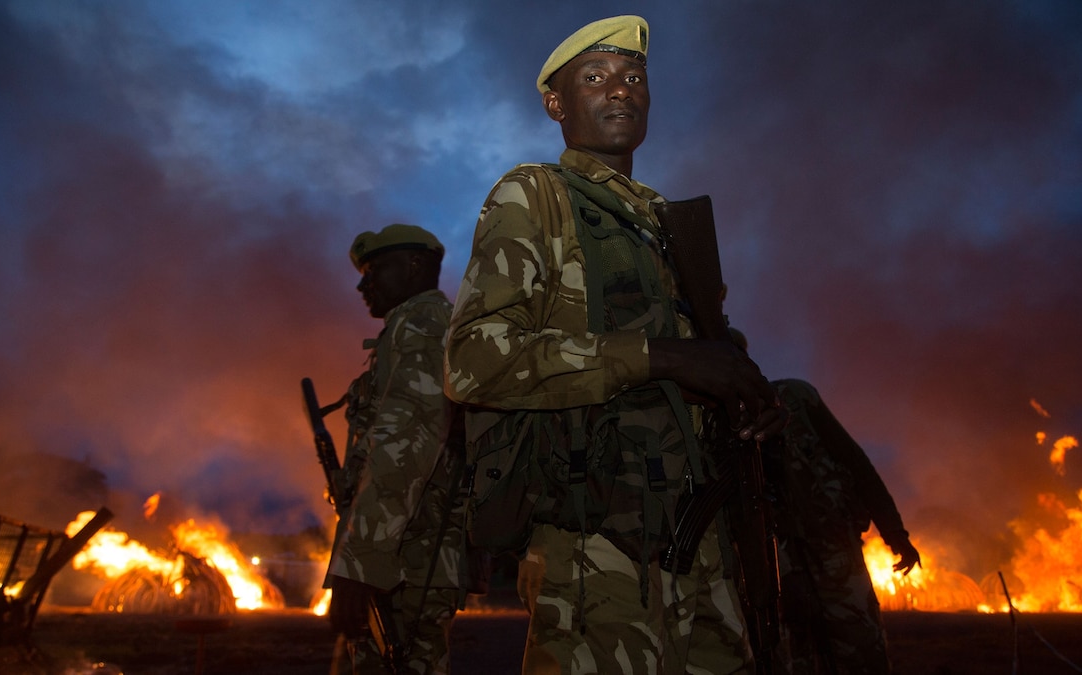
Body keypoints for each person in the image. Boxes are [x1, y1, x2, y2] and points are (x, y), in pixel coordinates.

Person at [444, 16, 784, 674]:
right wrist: (658, 356)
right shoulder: (535, 195)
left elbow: (700, 362)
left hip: (700, 539)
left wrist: (745, 398)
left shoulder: (665, 221)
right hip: (595, 542)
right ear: (557, 105)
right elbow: (474, 361)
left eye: (634, 78)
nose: (621, 89)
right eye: (595, 78)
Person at [731, 327, 921, 675]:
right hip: (776, 569)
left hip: (834, 554)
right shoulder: (718, 426)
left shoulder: (796, 399)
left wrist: (895, 534)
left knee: (861, 654)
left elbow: (856, 463)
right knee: (790, 658)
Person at [326, 223, 464, 675]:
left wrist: (360, 563)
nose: (362, 285)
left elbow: (406, 445)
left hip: (406, 560)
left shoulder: (424, 323)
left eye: (374, 271)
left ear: (415, 265)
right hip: (403, 554)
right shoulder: (409, 327)